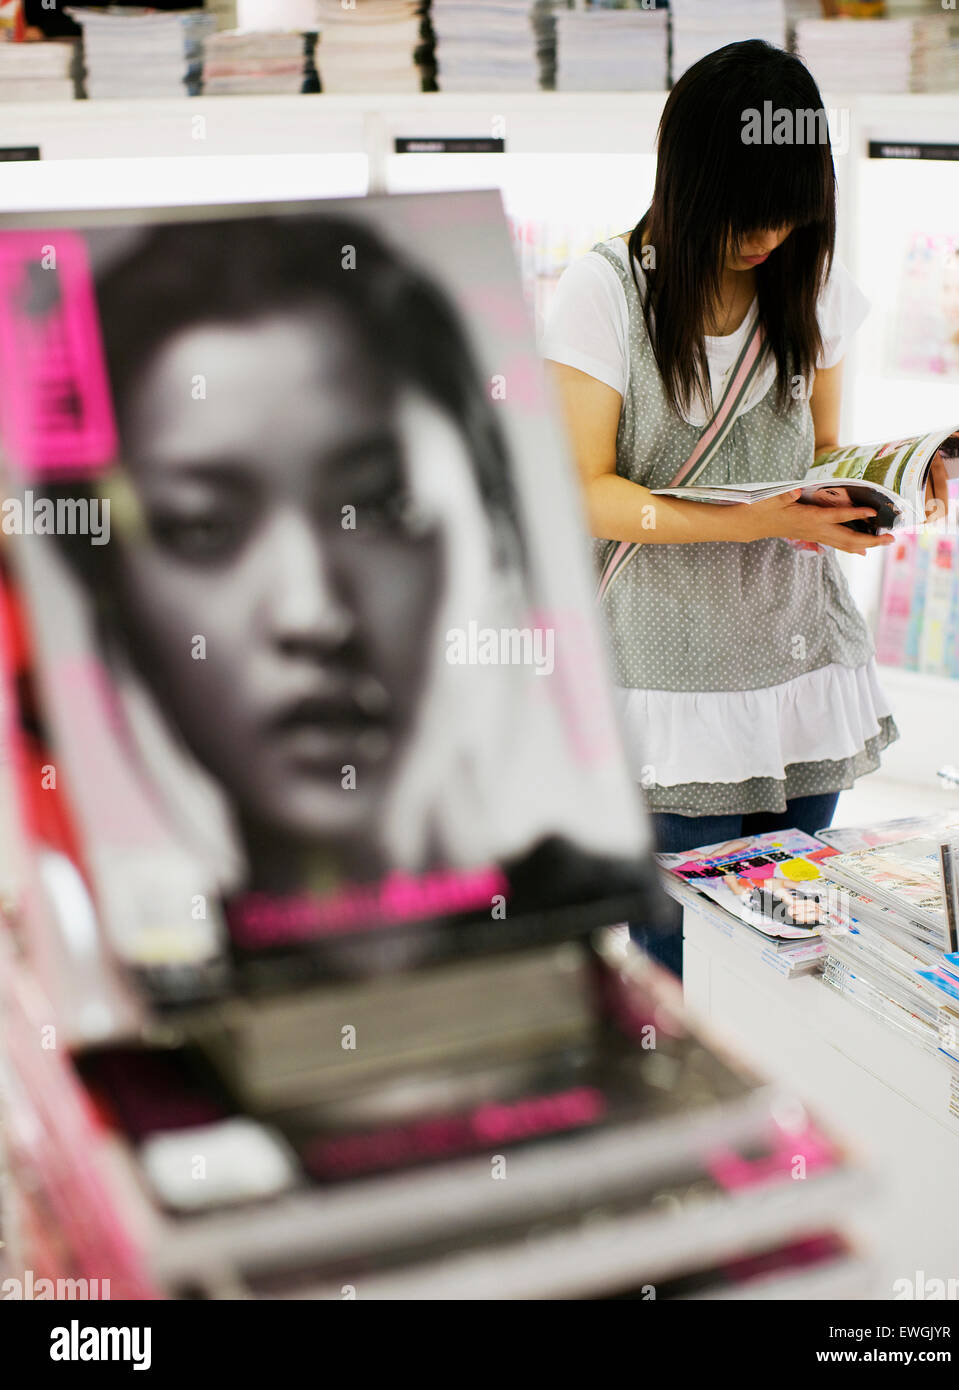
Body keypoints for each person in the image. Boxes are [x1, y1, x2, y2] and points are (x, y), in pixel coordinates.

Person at [29, 212, 653, 976]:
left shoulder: (610, 951)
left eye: (380, 508)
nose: (310, 613)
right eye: (201, 528)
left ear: (494, 531)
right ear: (113, 600)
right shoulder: (129, 1004)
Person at [543, 41, 902, 976]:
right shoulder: (604, 293)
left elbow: (823, 448)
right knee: (679, 955)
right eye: (746, 211)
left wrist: (883, 483)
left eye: (786, 213)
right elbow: (585, 491)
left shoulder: (809, 283)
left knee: (795, 950)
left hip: (799, 670)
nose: (764, 236)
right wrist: (767, 519)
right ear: (687, 180)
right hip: (666, 684)